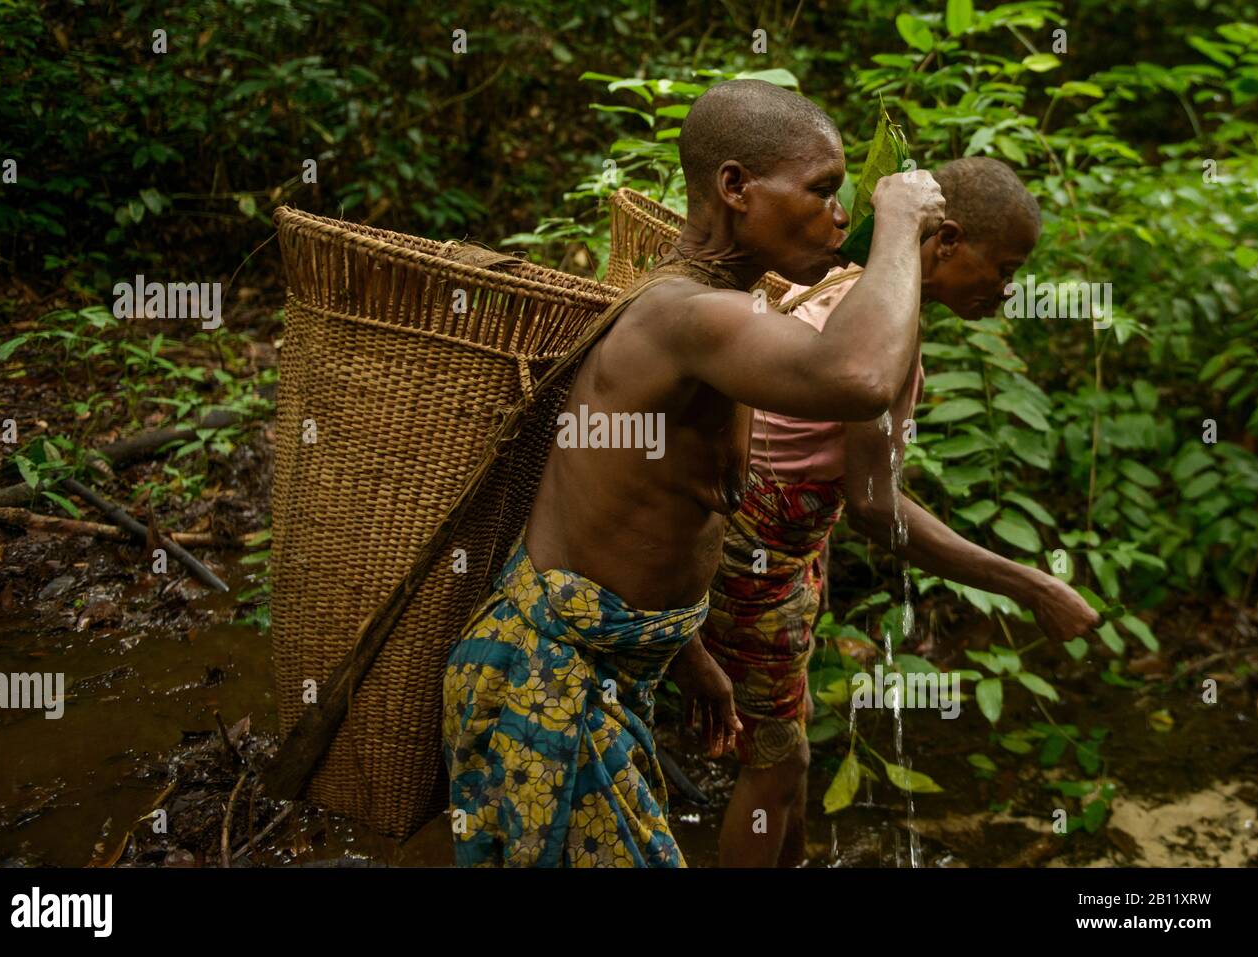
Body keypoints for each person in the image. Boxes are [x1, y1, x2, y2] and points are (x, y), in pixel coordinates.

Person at [441, 78, 946, 867]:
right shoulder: (691, 315)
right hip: (549, 678)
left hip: (606, 672)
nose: (839, 214)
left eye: (847, 197)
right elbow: (858, 376)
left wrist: (693, 657)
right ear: (736, 187)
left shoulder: (725, 309)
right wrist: (900, 225)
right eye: (820, 191)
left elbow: (638, 513)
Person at [701, 156, 1103, 867]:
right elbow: (874, 507)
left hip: (751, 555)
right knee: (776, 765)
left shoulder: (841, 282)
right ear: (943, 240)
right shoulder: (890, 326)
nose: (1008, 291)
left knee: (783, 750)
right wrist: (1032, 584)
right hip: (750, 567)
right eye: (1003, 268)